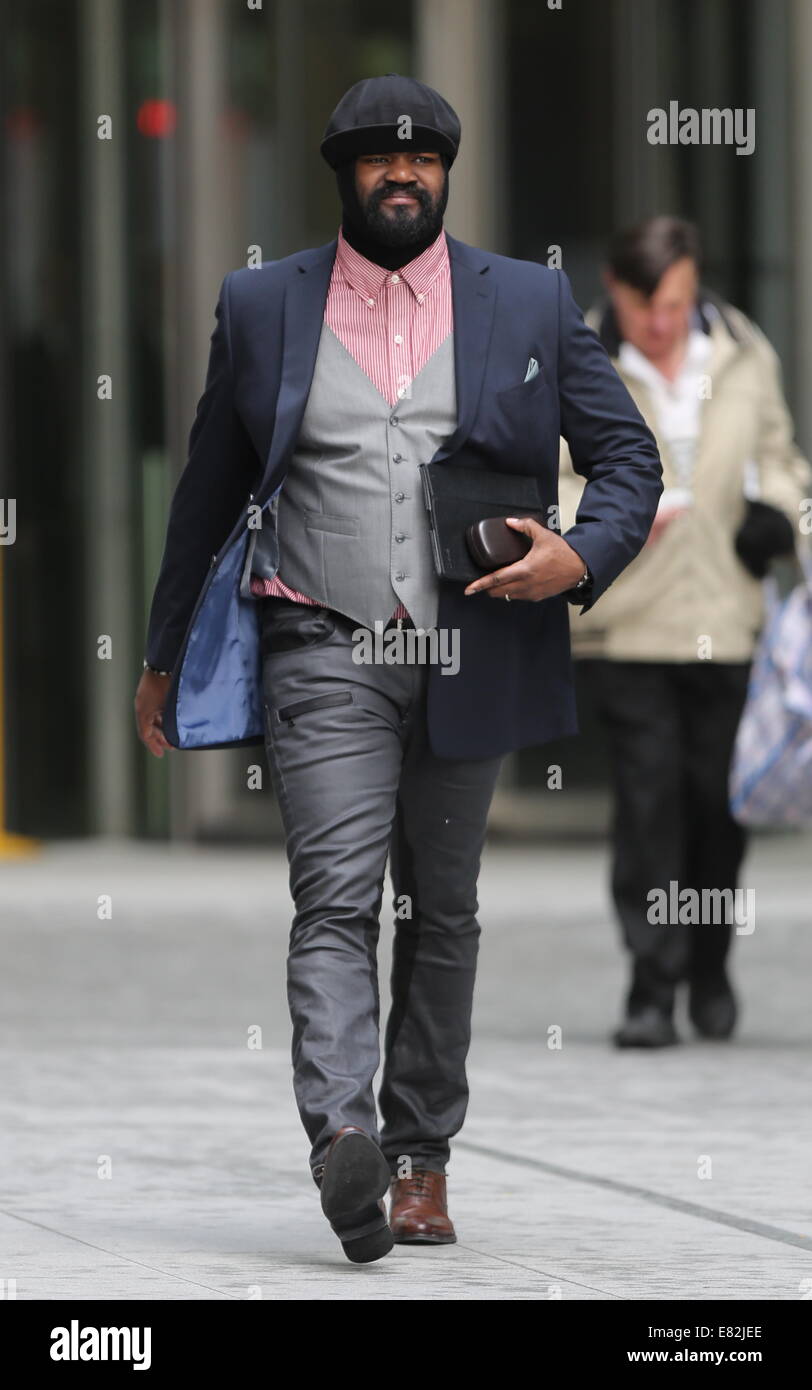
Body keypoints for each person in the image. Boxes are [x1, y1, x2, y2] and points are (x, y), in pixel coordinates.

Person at [134, 75, 662, 1262]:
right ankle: (341, 1138)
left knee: (443, 909)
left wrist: (574, 555)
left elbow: (627, 455)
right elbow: (207, 490)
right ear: (344, 173)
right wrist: (164, 652)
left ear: (446, 173)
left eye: (421, 160)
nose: (402, 174)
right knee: (333, 897)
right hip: (320, 640)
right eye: (379, 158)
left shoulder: (524, 301)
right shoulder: (264, 304)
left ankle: (420, 1155)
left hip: (473, 640)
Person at [558, 216, 810, 1050]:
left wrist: (777, 514)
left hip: (728, 621)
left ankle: (710, 967)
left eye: (672, 303)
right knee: (647, 805)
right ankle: (650, 985)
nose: (659, 324)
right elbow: (549, 482)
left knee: (716, 806)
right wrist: (605, 524)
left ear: (692, 284)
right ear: (615, 294)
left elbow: (778, 453)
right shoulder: (579, 357)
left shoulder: (744, 350)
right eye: (642, 306)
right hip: (627, 622)